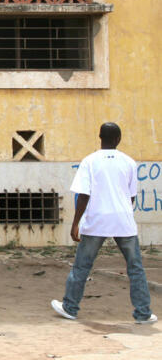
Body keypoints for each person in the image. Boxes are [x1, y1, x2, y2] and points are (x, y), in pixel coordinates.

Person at [51, 123, 156, 324]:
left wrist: (76, 223)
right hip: (123, 220)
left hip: (97, 220)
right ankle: (143, 313)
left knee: (82, 265)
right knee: (135, 268)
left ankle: (70, 307)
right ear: (119, 139)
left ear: (99, 137)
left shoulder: (89, 161)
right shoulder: (129, 162)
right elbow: (131, 197)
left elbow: (83, 195)